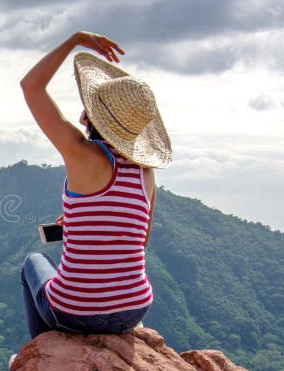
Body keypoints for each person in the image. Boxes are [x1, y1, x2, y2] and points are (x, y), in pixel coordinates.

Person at [18, 31, 172, 339]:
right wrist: (82, 223)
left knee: (32, 262)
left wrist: (74, 39)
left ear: (96, 118)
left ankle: (41, 352)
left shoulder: (80, 153)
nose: (80, 116)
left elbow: (30, 86)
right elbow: (138, 241)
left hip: (73, 312)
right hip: (134, 310)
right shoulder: (146, 173)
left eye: (88, 110)